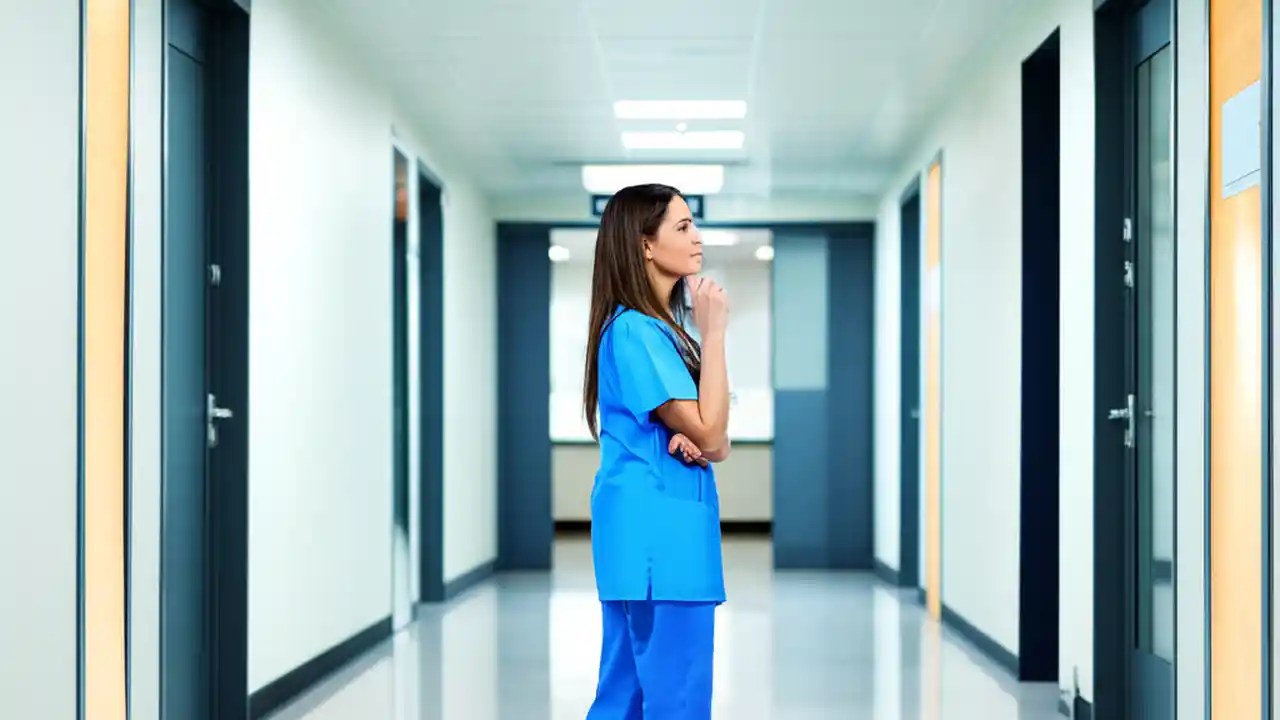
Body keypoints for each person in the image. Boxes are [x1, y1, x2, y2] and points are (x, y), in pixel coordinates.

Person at [581, 184, 732, 719]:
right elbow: (712, 435)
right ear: (645, 244)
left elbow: (715, 441)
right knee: (676, 701)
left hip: (643, 540)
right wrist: (715, 333)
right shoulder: (637, 331)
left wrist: (701, 433)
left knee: (624, 699)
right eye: (683, 226)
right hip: (663, 546)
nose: (697, 238)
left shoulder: (650, 331)